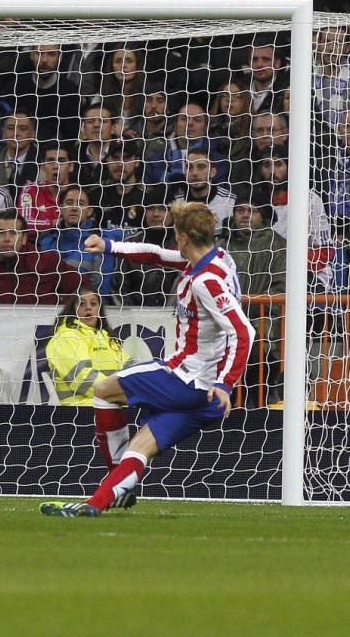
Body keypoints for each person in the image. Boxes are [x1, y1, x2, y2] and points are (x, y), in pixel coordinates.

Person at [42, 202, 253, 518]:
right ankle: (100, 501)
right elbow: (154, 254)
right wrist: (109, 245)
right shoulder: (217, 258)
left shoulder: (204, 281)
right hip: (204, 396)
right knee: (140, 446)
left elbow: (244, 331)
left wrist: (226, 383)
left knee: (103, 391)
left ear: (182, 237)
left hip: (184, 378)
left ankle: (113, 478)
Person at [47, 289, 129, 407]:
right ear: (73, 310)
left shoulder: (105, 337)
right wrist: (123, 391)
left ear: (99, 310)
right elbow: (82, 378)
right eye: (82, 304)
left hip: (109, 402)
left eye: (93, 304)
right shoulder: (65, 338)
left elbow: (128, 366)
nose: (88, 308)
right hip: (80, 408)